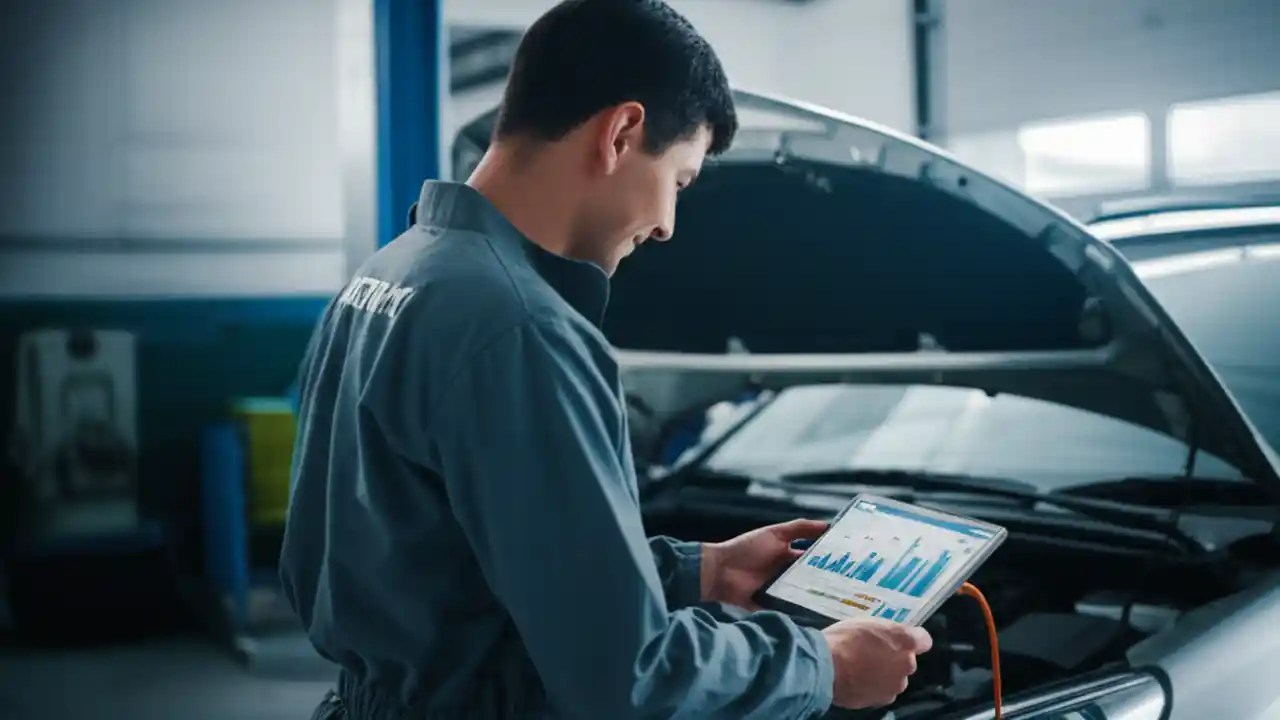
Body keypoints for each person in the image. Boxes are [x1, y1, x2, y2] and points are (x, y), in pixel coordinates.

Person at [280, 1, 931, 718]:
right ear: (622, 132)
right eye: (678, 181)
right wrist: (824, 665)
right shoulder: (523, 328)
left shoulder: (395, 273)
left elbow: (460, 565)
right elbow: (627, 681)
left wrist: (702, 570)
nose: (666, 226)